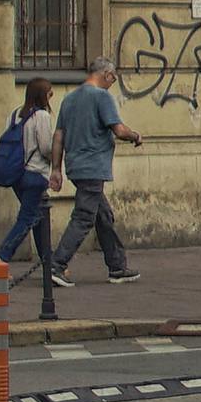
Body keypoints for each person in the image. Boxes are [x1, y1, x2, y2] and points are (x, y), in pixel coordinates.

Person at [49, 60, 143, 288]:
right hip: (93, 166)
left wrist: (56, 169)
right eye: (114, 78)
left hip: (76, 166)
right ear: (107, 74)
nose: (113, 83)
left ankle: (117, 267)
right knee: (83, 217)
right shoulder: (101, 97)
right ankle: (56, 265)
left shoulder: (69, 99)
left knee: (104, 217)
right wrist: (135, 136)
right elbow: (118, 130)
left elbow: (59, 136)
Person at [0, 77, 62, 273]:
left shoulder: (14, 115)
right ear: (43, 95)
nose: (51, 97)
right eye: (49, 93)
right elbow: (46, 148)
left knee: (37, 217)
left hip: (17, 174)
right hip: (35, 174)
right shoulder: (42, 117)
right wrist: (59, 150)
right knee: (27, 217)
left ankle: (50, 264)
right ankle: (1, 257)